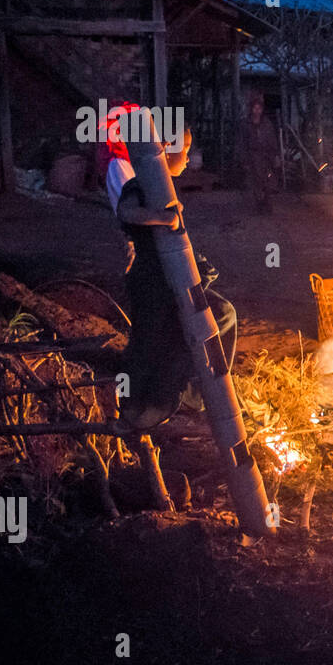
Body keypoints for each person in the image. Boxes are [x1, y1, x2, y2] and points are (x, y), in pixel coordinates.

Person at [101, 104, 236, 429]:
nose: (189, 159)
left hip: (168, 277)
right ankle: (139, 407)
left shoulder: (160, 186)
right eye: (184, 150)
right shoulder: (138, 184)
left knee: (220, 314)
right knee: (151, 340)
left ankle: (192, 392)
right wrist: (163, 218)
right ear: (162, 149)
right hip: (152, 280)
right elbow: (127, 213)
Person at [242, 91, 278, 214]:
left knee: (267, 181)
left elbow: (272, 139)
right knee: (255, 182)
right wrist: (244, 159)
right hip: (252, 156)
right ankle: (258, 206)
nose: (257, 111)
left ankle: (267, 205)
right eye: (255, 108)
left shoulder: (267, 124)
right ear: (251, 109)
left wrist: (274, 155)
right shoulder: (246, 124)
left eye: (259, 109)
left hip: (266, 157)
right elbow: (242, 142)